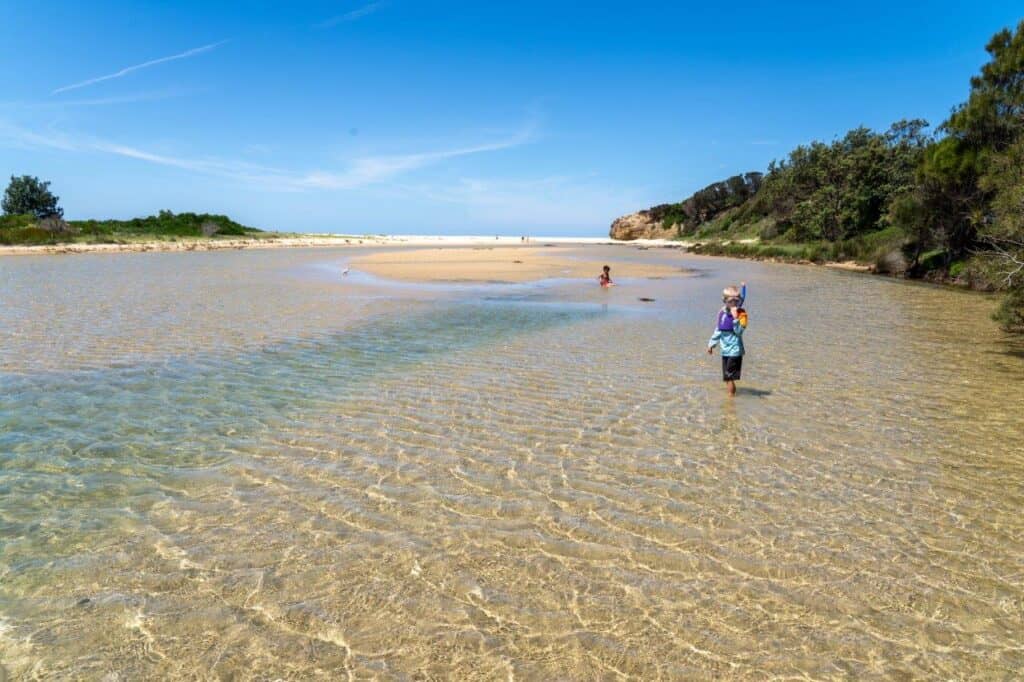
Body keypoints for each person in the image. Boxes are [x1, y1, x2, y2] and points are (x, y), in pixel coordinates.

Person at [707, 281, 748, 396]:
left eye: (736, 301)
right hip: (725, 351)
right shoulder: (723, 313)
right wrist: (711, 344)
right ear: (725, 301)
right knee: (726, 377)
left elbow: (739, 332)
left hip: (735, 351)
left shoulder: (741, 315)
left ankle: (730, 401)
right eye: (731, 301)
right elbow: (718, 331)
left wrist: (735, 319)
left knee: (729, 376)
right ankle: (731, 398)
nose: (734, 304)